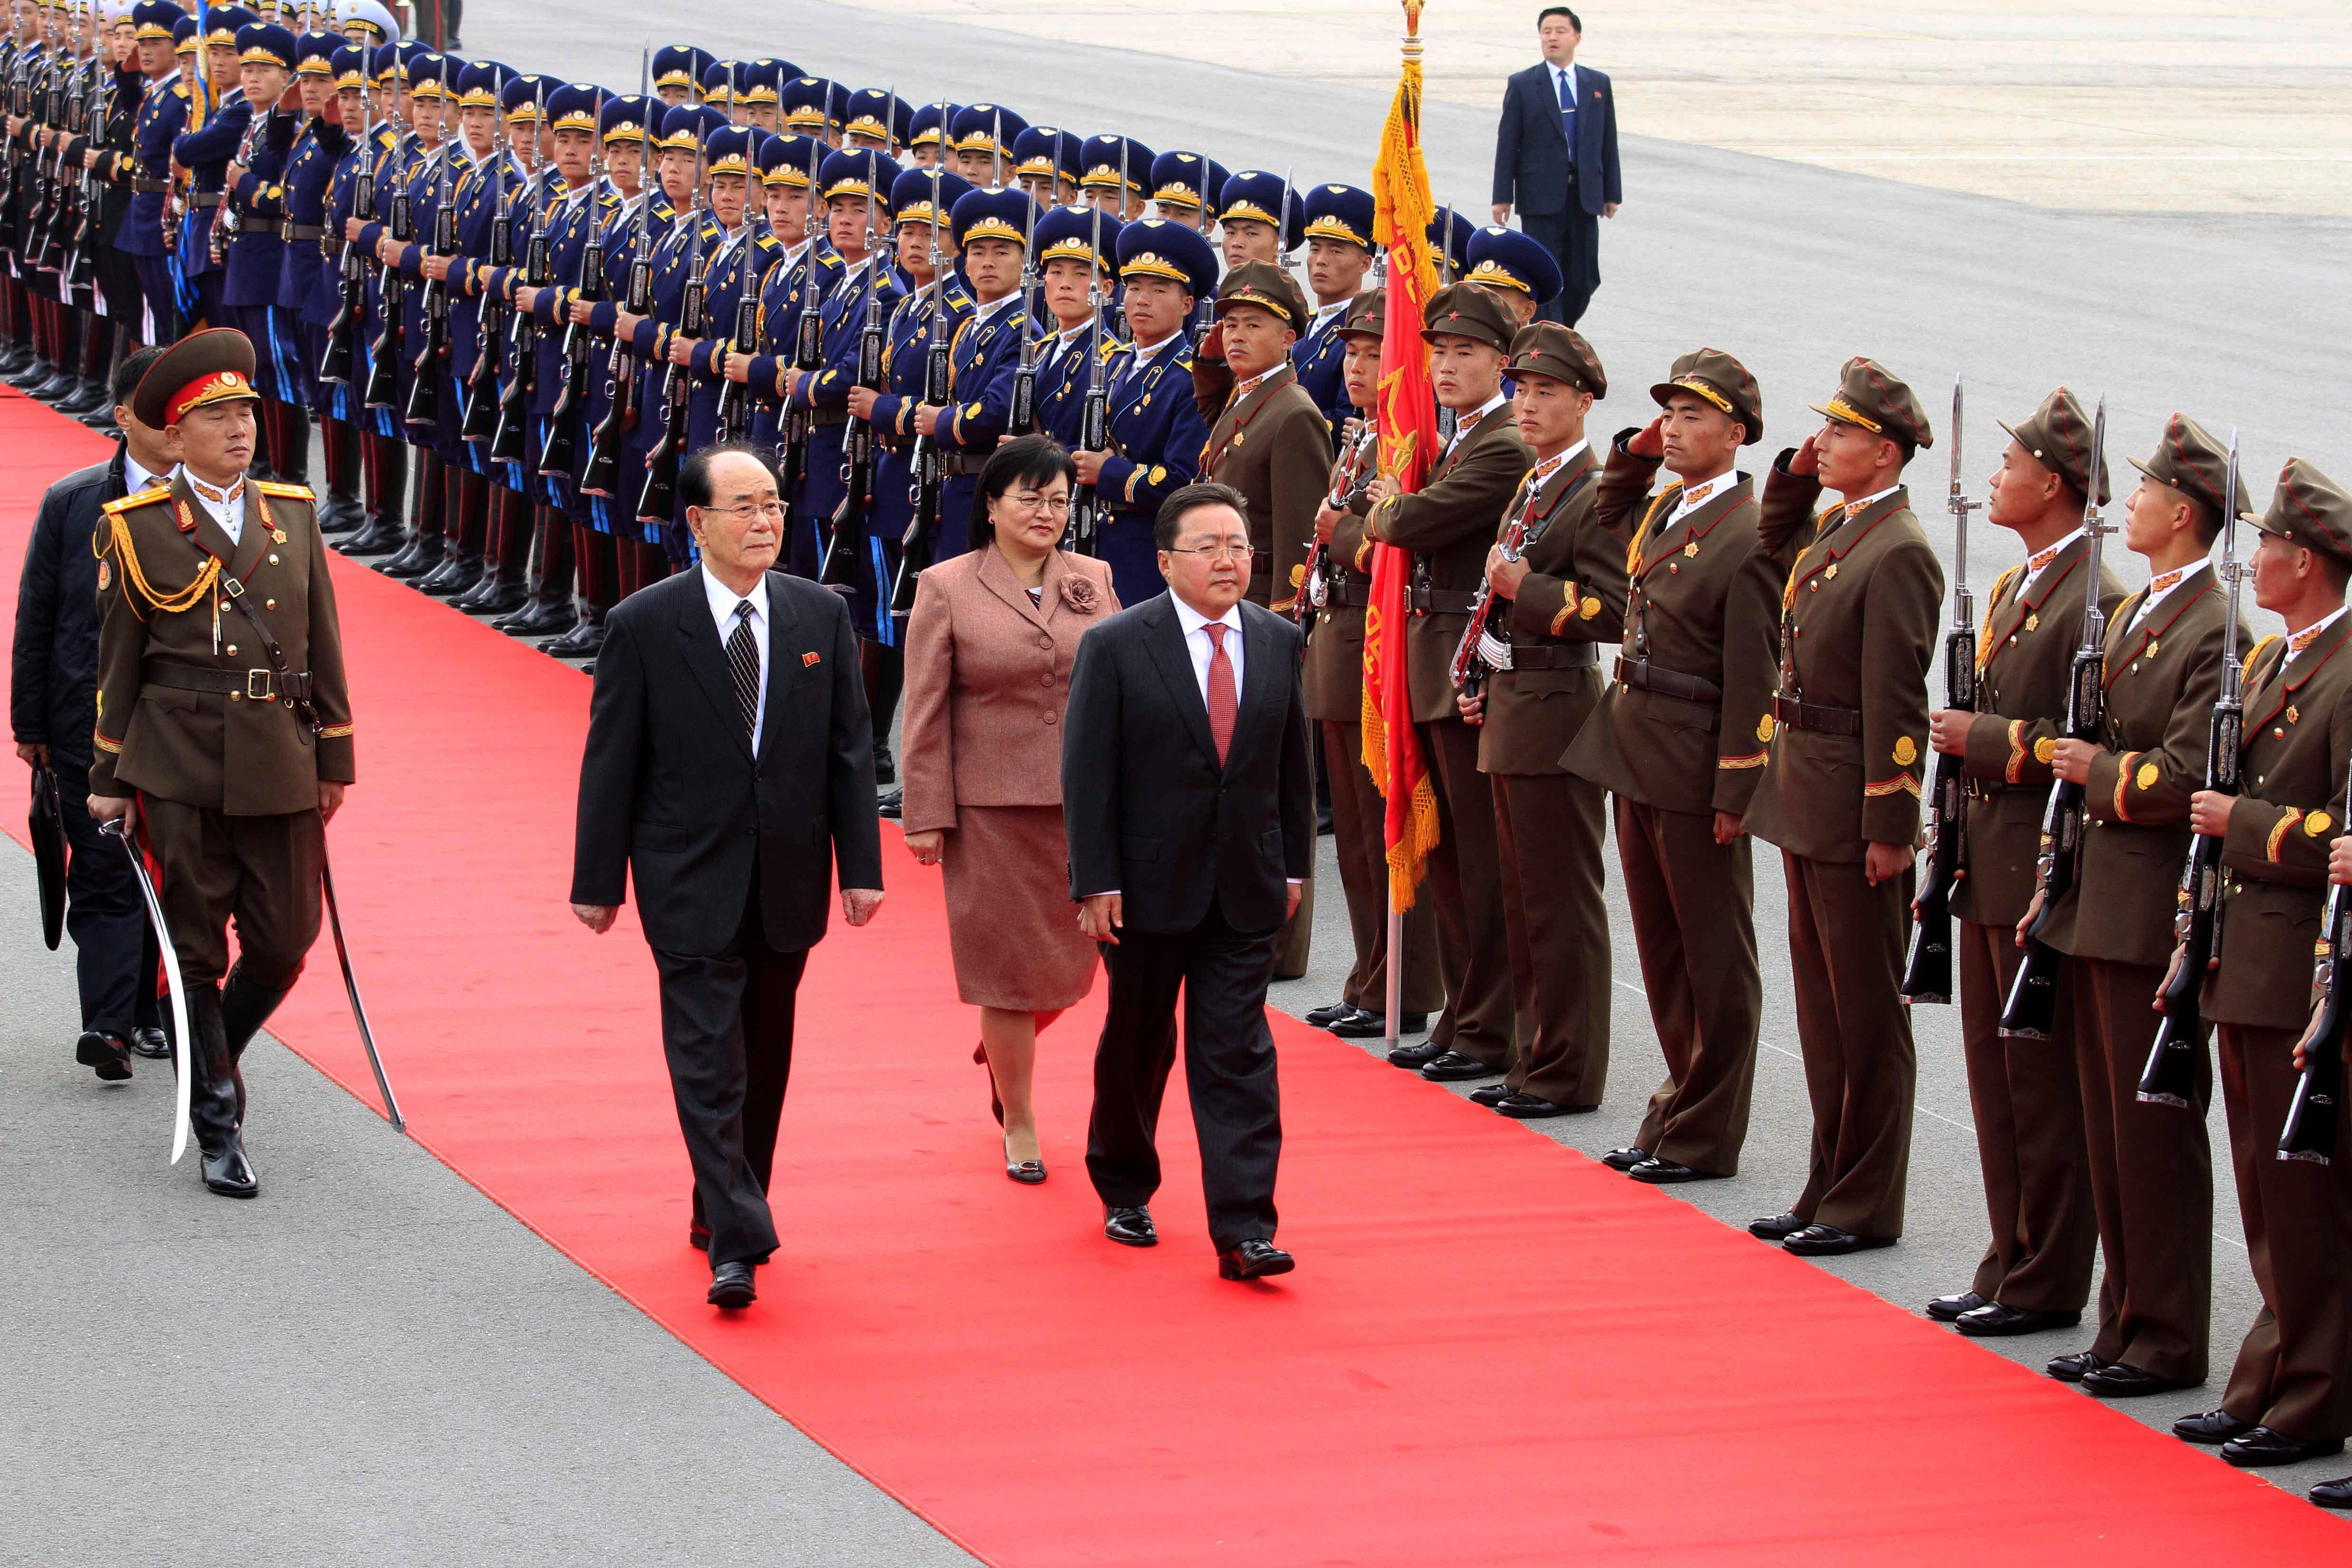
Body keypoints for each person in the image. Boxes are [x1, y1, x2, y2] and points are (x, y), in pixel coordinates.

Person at [569, 441, 884, 1310]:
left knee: (765, 1056)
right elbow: (612, 763)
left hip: (787, 873)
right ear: (697, 522)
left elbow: (848, 754)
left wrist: (861, 867)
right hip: (686, 874)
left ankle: (720, 1209)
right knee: (708, 1056)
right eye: (744, 507)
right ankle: (740, 1239)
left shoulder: (820, 614)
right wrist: (599, 881)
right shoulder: (643, 622)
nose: (765, 522)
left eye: (776, 505)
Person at [85, 327, 355, 1200]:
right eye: (217, 416)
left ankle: (215, 1049)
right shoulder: (137, 527)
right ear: (176, 434)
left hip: (279, 751)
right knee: (195, 947)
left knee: (286, 942)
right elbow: (120, 662)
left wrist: (336, 753)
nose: (240, 429)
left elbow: (323, 640)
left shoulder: (295, 513)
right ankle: (217, 1120)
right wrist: (108, 779)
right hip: (181, 759)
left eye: (245, 412)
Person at [2037, 413, 2242, 1397]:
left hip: (2151, 903)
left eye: (2151, 492)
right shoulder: (2138, 612)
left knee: (2153, 1132)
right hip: (2099, 897)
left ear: (2188, 514)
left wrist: (2097, 767)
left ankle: (2165, 1333)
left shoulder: (2211, 626)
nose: (2132, 505)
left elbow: (2187, 775)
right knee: (2112, 1126)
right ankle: (2125, 1318)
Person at [1063, 481, 1314, 1281]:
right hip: (1142, 886)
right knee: (1139, 1042)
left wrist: (1294, 866)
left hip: (1243, 883)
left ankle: (1245, 1228)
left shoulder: (1278, 640)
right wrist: (1095, 880)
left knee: (1237, 1052)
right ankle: (1125, 1185)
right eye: (1208, 547)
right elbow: (1089, 773)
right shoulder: (1117, 644)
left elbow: (1291, 768)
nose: (1228, 561)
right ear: (1167, 560)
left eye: (1239, 545)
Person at [1917, 388, 2113, 1339]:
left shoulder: (2095, 598)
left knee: (2041, 1084)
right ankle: (2011, 1256)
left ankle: (2047, 1275)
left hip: (2043, 863)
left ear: (2053, 481)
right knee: (1999, 1082)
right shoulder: (2015, 585)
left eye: (2009, 465)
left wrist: (1984, 738)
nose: (1995, 479)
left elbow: (2087, 743)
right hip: (1987, 858)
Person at [2170, 458, 2352, 1472]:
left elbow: (2338, 826)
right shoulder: (2279, 661)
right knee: (2267, 1187)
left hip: (2303, 962)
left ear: (2311, 560)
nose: (2258, 563)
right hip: (2251, 954)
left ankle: (2316, 1394)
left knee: (2309, 1193)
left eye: (2274, 548)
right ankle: (2275, 1378)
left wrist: (2252, 828)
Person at [1742, 356, 1942, 1256]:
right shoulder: (1839, 525)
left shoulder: (1898, 551)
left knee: (1864, 1012)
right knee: (1823, 1010)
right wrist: (1798, 469)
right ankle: (1828, 1182)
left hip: (1851, 804)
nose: (1822, 442)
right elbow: (1766, 542)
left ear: (1889, 452)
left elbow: (1896, 701)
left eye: (1842, 433)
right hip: (1805, 790)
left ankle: (1864, 1200)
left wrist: (1891, 825)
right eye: (1824, 427)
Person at [1565, 347, 1776, 1181]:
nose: (1678, 428)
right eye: (1672, 414)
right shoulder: (1669, 509)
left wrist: (1739, 787)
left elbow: (1756, 675)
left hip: (1696, 758)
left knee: (1714, 957)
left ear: (1737, 433)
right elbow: (1598, 524)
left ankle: (1705, 1131)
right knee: (1662, 948)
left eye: (1695, 416)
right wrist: (1636, 452)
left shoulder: (1752, 535)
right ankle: (1675, 1106)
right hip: (1640, 748)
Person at [900, 437, 1120, 1183]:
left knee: (1071, 966)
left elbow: (1121, 690)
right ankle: (1019, 1119)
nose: (1047, 512)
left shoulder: (1094, 577)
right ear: (990, 505)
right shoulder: (946, 585)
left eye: (1059, 499)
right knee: (1003, 971)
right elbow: (924, 710)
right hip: (989, 809)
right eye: (1029, 497)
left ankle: (1003, 1043)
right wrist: (925, 812)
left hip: (1085, 805)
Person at [1364, 282, 1533, 1085]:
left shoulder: (1500, 445)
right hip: (1432, 655)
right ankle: (1466, 1015)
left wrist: (1395, 504)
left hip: (1465, 665)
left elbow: (1411, 523)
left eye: (1468, 352)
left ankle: (1489, 1023)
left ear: (1504, 363)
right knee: (1456, 862)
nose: (1448, 366)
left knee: (1480, 856)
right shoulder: (1460, 439)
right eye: (1440, 352)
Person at [1456, 320, 1621, 1119]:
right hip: (1516, 702)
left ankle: (1566, 1068)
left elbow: (1613, 610)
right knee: (1524, 900)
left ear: (1585, 402)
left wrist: (1532, 592)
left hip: (1558, 706)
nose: (1527, 405)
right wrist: (1479, 673)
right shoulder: (1537, 482)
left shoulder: (1595, 493)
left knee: (1560, 901)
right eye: (1521, 391)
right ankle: (1533, 1055)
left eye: (1546, 393)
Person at [11, 343, 170, 1083]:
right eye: (161, 411)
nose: (177, 426)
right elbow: (37, 618)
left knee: (169, 870)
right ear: (123, 416)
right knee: (104, 872)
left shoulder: (227, 507)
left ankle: (149, 1009)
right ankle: (107, 1026)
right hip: (86, 724)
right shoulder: (73, 502)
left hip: (182, 730)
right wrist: (30, 727)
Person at [1301, 288, 1441, 1040]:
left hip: (1377, 652)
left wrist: (1343, 531)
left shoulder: (1408, 445)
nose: (1358, 367)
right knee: (1354, 834)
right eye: (1351, 353)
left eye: (1372, 354)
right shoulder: (1356, 436)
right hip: (1339, 645)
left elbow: (1402, 556)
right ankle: (1368, 973)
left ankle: (1403, 981)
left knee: (1381, 823)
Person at [1489, 6, 1620, 326]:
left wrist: (1612, 192)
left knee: (1585, 276)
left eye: (1560, 31)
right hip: (1540, 196)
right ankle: (1550, 338)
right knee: (1547, 271)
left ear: (1576, 37)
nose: (1552, 38)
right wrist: (1502, 196)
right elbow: (1508, 143)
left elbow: (1608, 140)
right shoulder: (1523, 84)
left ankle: (1563, 329)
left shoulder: (1597, 84)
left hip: (1585, 194)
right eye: (1546, 31)